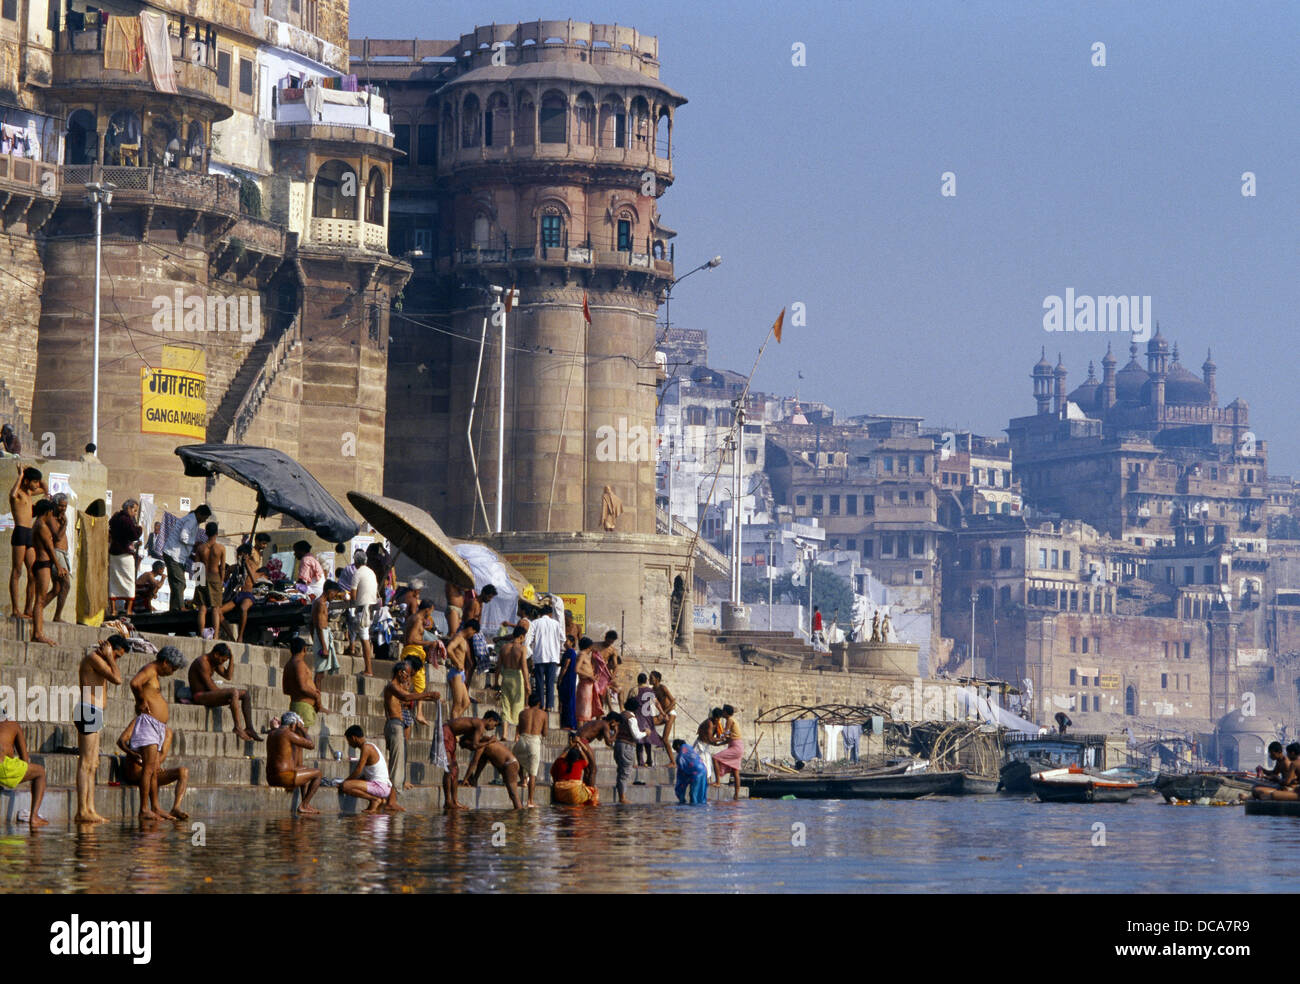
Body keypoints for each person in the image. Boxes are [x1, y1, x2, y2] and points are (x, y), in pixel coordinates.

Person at [125, 646, 186, 819]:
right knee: (149, 768)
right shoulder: (149, 670)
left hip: (156, 726)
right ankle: (144, 808)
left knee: (152, 769)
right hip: (148, 725)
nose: (172, 673)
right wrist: (140, 701)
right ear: (165, 662)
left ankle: (156, 807)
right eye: (172, 668)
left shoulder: (154, 674)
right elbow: (134, 683)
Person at [73, 635, 126, 823]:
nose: (116, 660)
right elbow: (118, 679)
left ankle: (90, 809)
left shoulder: (100, 661)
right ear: (109, 647)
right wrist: (110, 657)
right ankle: (81, 811)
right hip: (87, 710)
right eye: (117, 655)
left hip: (95, 712)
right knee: (86, 763)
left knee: (94, 764)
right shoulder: (94, 659)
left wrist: (111, 657)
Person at [382, 660, 440, 790]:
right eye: (407, 675)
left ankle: (397, 786)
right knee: (397, 761)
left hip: (398, 725)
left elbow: (410, 696)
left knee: (399, 759)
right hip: (394, 724)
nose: (408, 678)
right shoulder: (391, 686)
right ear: (400, 673)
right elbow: (406, 697)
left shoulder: (397, 687)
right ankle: (394, 792)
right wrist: (429, 694)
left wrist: (432, 698)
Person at [117, 718, 189, 821]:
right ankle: (149, 808)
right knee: (150, 772)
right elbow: (121, 741)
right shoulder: (140, 721)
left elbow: (162, 755)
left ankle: (176, 808)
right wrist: (132, 754)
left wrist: (156, 763)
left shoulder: (167, 732)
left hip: (152, 771)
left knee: (183, 771)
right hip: (135, 772)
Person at [189, 642, 262, 741]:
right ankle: (237, 727)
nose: (223, 663)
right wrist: (230, 696)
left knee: (245, 694)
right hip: (199, 696)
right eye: (223, 660)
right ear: (216, 655)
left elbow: (228, 676)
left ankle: (249, 728)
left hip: (209, 694)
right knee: (233, 692)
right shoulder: (202, 662)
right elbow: (212, 689)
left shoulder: (215, 661)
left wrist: (232, 658)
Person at [8, 464, 46, 622]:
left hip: (29, 533)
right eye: (34, 481)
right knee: (17, 572)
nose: (37, 484)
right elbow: (12, 494)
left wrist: (31, 468)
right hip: (20, 532)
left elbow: (45, 488)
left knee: (33, 573)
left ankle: (28, 608)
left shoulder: (30, 493)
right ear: (27, 481)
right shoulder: (19, 494)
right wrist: (20, 475)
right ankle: (15, 609)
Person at [266, 711, 321, 814]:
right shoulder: (288, 734)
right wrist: (302, 729)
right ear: (292, 724)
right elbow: (311, 745)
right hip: (283, 777)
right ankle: (303, 806)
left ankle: (305, 803)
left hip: (271, 778)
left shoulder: (272, 733)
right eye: (296, 725)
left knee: (304, 769)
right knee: (318, 773)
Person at [161, 504, 211, 612]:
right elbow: (183, 537)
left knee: (176, 584)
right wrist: (194, 543)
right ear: (199, 514)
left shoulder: (193, 520)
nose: (204, 520)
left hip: (178, 557)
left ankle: (174, 609)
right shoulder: (192, 520)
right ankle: (180, 607)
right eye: (204, 518)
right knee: (180, 583)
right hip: (173, 554)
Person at [341, 724, 400, 813]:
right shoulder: (369, 746)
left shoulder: (366, 747)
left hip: (380, 787)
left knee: (345, 786)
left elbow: (358, 770)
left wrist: (345, 781)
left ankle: (374, 799)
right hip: (383, 786)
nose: (349, 744)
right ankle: (379, 800)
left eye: (348, 741)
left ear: (353, 738)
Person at [0, 719, 47, 826]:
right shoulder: (12, 725)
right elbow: (25, 761)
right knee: (40, 772)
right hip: (2, 767)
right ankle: (34, 817)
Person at [28, 499, 61, 645]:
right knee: (40, 601)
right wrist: (59, 566)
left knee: (56, 589)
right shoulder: (42, 526)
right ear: (48, 512)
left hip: (41, 563)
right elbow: (50, 548)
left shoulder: (36, 524)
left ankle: (37, 626)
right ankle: (38, 633)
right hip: (43, 564)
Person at [464, 731, 524, 809]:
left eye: (467, 746)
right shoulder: (485, 748)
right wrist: (475, 779)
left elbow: (474, 763)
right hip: (508, 765)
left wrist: (465, 779)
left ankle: (520, 815)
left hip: (510, 764)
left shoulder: (482, 745)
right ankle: (517, 814)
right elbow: (481, 764)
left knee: (513, 794)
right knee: (512, 795)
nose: (469, 749)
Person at [525, 601, 564, 711]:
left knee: (539, 683)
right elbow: (563, 638)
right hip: (552, 658)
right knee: (550, 683)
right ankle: (550, 706)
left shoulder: (535, 623)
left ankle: (541, 704)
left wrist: (529, 654)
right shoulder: (556, 624)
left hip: (539, 657)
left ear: (540, 613)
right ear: (550, 614)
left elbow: (529, 640)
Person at [107, 497, 142, 614]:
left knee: (114, 581)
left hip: (113, 553)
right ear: (128, 508)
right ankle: (128, 610)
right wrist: (139, 529)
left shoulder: (115, 518)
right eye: (134, 510)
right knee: (129, 580)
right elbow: (134, 535)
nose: (135, 513)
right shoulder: (126, 520)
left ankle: (113, 610)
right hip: (125, 554)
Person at [350, 543, 381, 676]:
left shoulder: (358, 573)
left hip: (364, 610)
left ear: (356, 561)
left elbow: (353, 595)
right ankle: (367, 667)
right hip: (371, 609)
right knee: (363, 636)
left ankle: (368, 669)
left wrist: (351, 599)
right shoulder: (371, 572)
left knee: (364, 638)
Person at [513, 693, 547, 808]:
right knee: (533, 774)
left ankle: (522, 780)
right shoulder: (543, 714)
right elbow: (545, 733)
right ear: (539, 703)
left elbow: (521, 729)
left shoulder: (522, 713)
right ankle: (530, 801)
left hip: (522, 741)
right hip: (534, 742)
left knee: (518, 757)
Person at [611, 700, 648, 804]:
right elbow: (636, 735)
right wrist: (645, 733)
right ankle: (622, 798)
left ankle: (621, 796)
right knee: (624, 772)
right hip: (627, 746)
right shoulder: (631, 718)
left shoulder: (621, 715)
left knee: (621, 771)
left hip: (618, 744)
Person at [282, 636, 323, 728]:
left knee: (301, 737)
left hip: (299, 705)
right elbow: (303, 687)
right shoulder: (298, 663)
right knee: (302, 738)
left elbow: (286, 689)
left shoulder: (289, 664)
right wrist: (316, 696)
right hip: (303, 707)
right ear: (304, 649)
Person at [193, 521, 224, 640]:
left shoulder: (200, 548)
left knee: (202, 607)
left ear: (206, 533)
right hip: (215, 577)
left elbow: (197, 565)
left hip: (202, 576)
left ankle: (202, 634)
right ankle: (215, 636)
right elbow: (222, 567)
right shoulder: (221, 548)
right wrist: (221, 581)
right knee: (216, 608)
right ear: (216, 533)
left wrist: (197, 581)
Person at [497, 624, 530, 737]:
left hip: (505, 677)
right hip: (517, 677)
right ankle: (516, 736)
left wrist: (496, 681)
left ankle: (505, 734)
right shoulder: (522, 649)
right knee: (518, 706)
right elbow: (524, 668)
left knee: (506, 706)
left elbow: (498, 666)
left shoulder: (504, 647)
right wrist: (527, 684)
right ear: (521, 636)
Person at [311, 580, 345, 689]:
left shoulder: (320, 602)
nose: (335, 596)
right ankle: (317, 698)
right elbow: (319, 626)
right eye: (335, 593)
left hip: (322, 636)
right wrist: (324, 647)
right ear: (330, 591)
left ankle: (317, 696)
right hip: (322, 637)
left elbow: (312, 624)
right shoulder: (320, 604)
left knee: (322, 672)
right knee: (320, 673)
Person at [550, 733, 599, 805]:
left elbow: (559, 759)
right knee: (594, 791)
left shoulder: (559, 762)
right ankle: (589, 809)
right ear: (577, 758)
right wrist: (579, 746)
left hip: (559, 794)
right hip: (575, 794)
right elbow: (587, 759)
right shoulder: (579, 763)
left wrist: (569, 747)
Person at [47, 493, 72, 623]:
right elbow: (57, 537)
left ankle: (37, 609)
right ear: (55, 505)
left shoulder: (60, 516)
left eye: (65, 506)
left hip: (63, 554)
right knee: (66, 584)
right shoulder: (51, 517)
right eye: (61, 506)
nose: (63, 508)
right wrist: (65, 524)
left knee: (57, 588)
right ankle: (57, 616)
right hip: (57, 553)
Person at [445, 618, 477, 719]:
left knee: (466, 703)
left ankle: (453, 722)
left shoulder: (464, 640)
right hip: (455, 673)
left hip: (461, 674)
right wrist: (457, 662)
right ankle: (453, 728)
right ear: (471, 629)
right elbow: (449, 649)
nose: (472, 635)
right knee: (457, 704)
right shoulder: (458, 637)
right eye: (474, 633)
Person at [713, 704, 744, 799]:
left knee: (715, 758)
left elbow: (725, 733)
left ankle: (718, 781)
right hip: (738, 746)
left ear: (726, 712)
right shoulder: (733, 721)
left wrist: (715, 738)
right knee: (735, 772)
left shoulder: (729, 720)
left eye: (723, 711)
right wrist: (718, 744)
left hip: (735, 747)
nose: (722, 713)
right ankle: (736, 795)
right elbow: (728, 739)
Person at [634, 673, 664, 767]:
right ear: (646, 680)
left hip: (638, 716)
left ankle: (640, 761)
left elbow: (629, 702)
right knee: (648, 738)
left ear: (638, 680)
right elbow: (656, 703)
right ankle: (649, 759)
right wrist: (662, 713)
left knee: (639, 739)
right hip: (647, 716)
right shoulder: (650, 690)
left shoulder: (634, 690)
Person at [673, 738, 709, 805]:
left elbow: (681, 775)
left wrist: (680, 793)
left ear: (677, 746)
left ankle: (694, 812)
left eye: (676, 750)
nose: (677, 752)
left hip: (696, 774)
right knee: (701, 793)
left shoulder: (681, 756)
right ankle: (703, 812)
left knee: (693, 795)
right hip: (703, 770)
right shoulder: (689, 747)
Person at [649, 670, 677, 750]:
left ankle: (672, 760)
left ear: (657, 679)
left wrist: (664, 713)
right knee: (648, 723)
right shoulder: (653, 690)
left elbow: (673, 701)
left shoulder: (663, 688)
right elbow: (656, 703)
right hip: (663, 714)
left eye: (651, 678)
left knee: (665, 739)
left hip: (671, 713)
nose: (649, 680)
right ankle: (660, 741)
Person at [558, 634, 579, 730]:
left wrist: (560, 678)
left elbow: (566, 665)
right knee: (567, 700)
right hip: (570, 679)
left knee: (567, 700)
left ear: (571, 642)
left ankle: (569, 723)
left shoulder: (570, 652)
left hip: (568, 679)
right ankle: (567, 722)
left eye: (567, 641)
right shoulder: (570, 652)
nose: (565, 643)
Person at [575, 636, 597, 724]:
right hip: (584, 685)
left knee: (586, 710)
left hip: (589, 685)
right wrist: (589, 676)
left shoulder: (586, 656)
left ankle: (584, 733)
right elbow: (576, 669)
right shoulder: (582, 655)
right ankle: (580, 733)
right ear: (589, 647)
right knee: (582, 711)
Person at [695, 712, 719, 785]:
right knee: (703, 765)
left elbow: (711, 740)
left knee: (708, 765)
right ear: (716, 718)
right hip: (700, 746)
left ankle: (706, 783)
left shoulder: (716, 724)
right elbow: (710, 739)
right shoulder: (709, 723)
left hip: (705, 746)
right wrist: (721, 739)